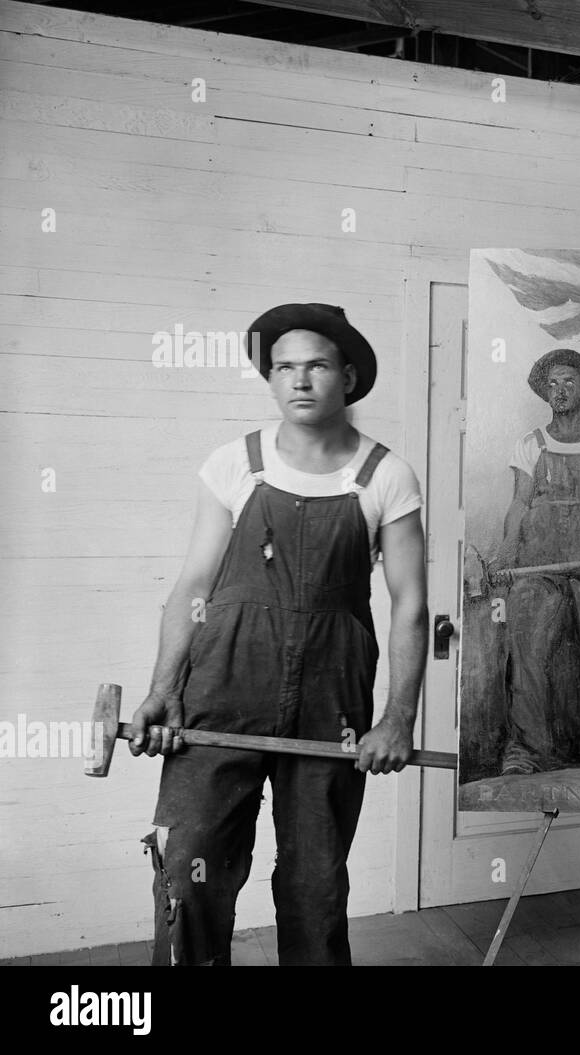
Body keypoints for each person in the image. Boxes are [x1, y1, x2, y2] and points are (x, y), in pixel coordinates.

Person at [128, 303, 428, 966]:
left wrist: (398, 717)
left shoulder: (386, 476)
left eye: (315, 364)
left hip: (330, 706)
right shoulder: (235, 464)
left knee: (314, 889)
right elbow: (192, 587)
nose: (298, 379)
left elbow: (410, 604)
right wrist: (161, 690)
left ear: (347, 375)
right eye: (283, 366)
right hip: (218, 696)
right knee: (190, 873)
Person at [495, 348, 580, 774]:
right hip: (540, 567)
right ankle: (526, 750)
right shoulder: (529, 444)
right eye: (552, 383)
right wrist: (505, 553)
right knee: (526, 648)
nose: (560, 391)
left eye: (569, 382)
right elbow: (519, 504)